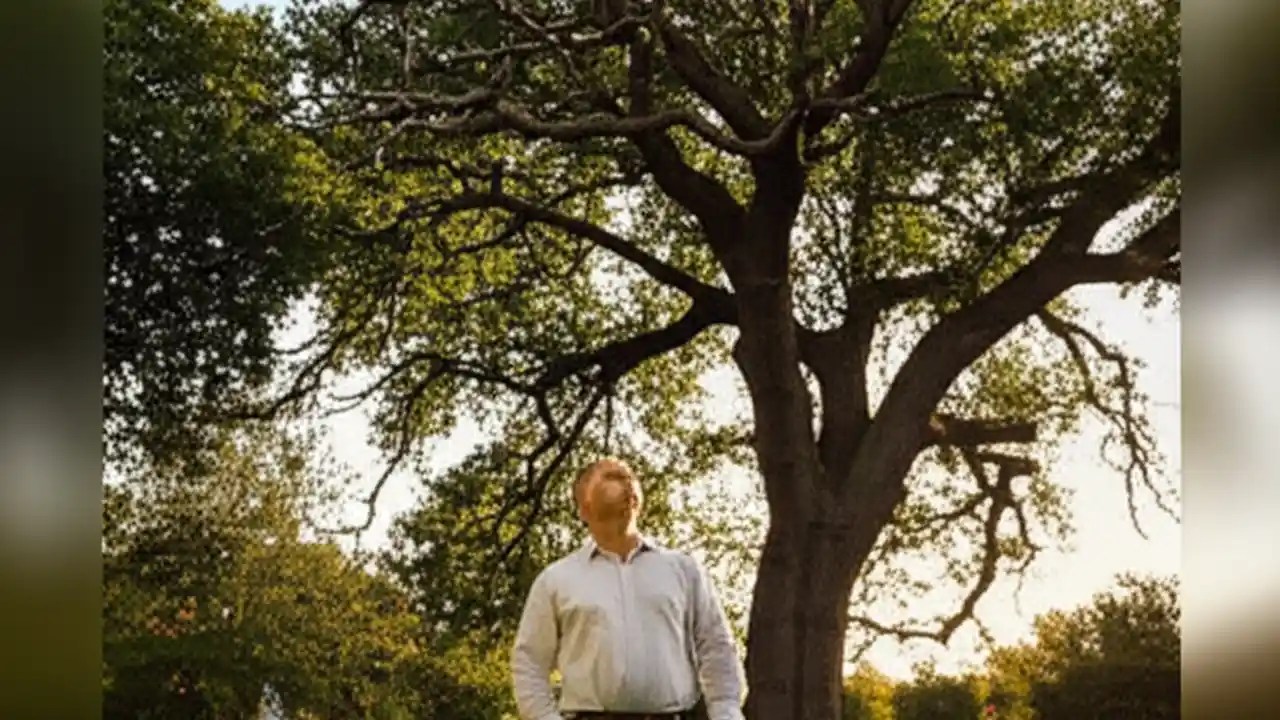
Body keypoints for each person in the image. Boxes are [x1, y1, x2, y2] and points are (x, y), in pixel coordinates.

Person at [511, 458, 746, 720]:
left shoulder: (683, 570)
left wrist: (727, 714)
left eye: (629, 477)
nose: (625, 482)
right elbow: (529, 663)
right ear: (583, 508)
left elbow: (717, 648)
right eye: (612, 476)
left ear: (637, 502)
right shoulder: (556, 580)